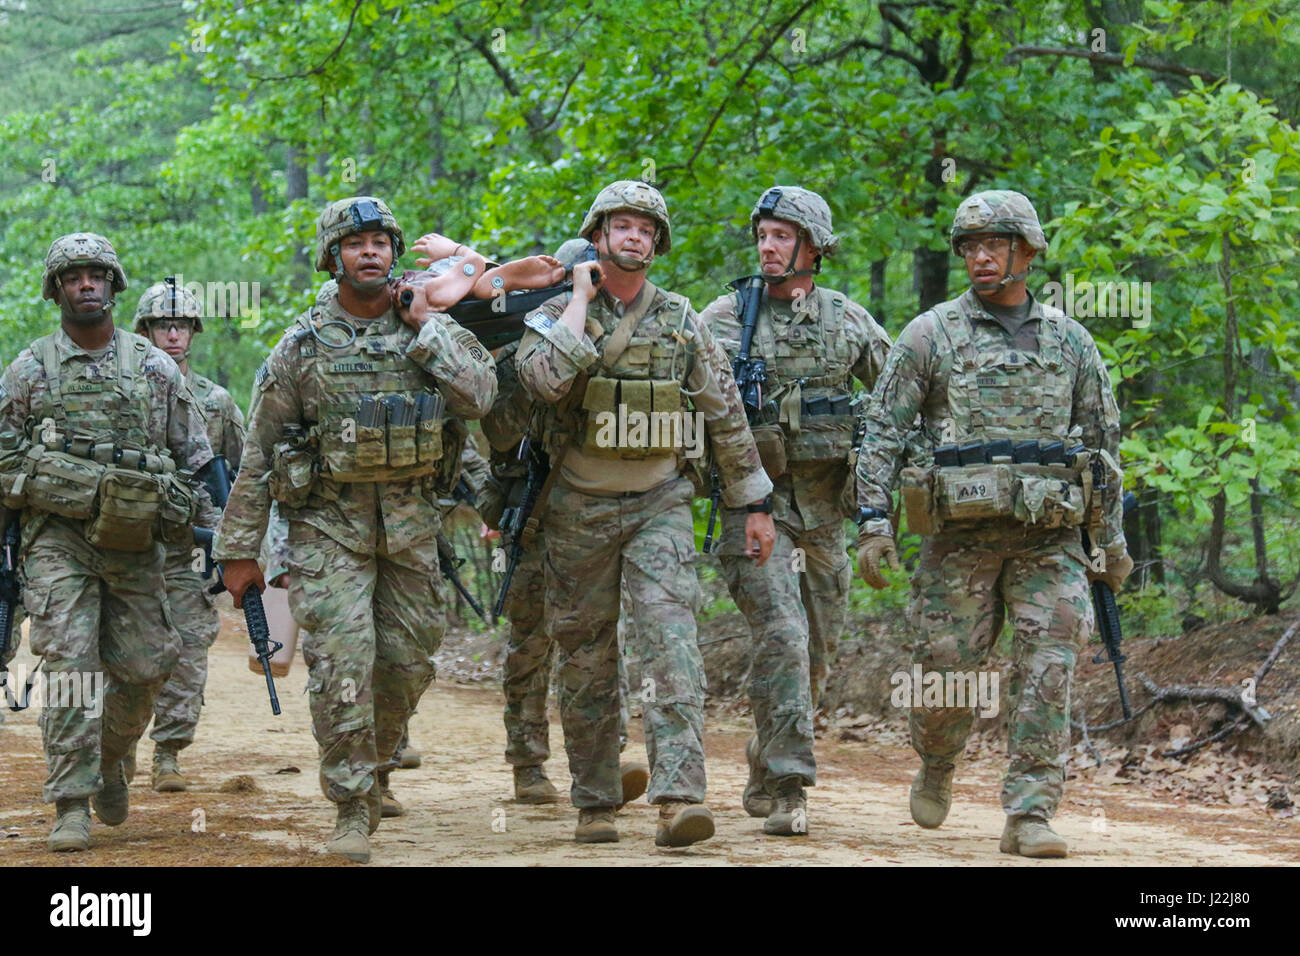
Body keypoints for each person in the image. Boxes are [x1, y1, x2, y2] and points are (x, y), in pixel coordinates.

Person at [213, 197, 497, 863]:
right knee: (343, 664)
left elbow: (480, 398)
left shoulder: (428, 327)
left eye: (380, 241)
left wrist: (429, 326)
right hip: (326, 529)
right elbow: (258, 452)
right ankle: (349, 803)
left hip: (412, 528)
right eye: (355, 242)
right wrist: (238, 551)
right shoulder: (302, 346)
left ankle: (374, 766)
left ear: (394, 253)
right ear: (332, 255)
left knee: (404, 665)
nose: (369, 251)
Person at [854, 190, 1132, 858]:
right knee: (947, 669)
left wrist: (1111, 540)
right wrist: (872, 521)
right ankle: (939, 757)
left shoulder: (1072, 341)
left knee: (1049, 665)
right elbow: (883, 431)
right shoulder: (931, 334)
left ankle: (1029, 813)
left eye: (993, 245)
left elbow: (1103, 444)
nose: (979, 258)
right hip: (957, 542)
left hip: (1051, 539)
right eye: (970, 247)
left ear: (1027, 252)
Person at [516, 180, 775, 847]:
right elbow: (542, 381)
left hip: (660, 501)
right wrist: (578, 296)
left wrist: (753, 503)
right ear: (597, 236)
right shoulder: (554, 311)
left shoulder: (682, 318)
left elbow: (724, 413)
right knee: (585, 656)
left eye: (645, 229)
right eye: (621, 226)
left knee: (671, 643)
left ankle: (678, 798)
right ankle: (596, 799)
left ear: (657, 244)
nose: (634, 237)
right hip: (577, 506)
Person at [0, 233, 218, 852]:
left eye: (97, 275)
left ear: (113, 284)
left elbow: (195, 460)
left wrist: (219, 545)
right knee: (71, 665)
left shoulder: (152, 367)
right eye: (74, 277)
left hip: (136, 543)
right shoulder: (29, 369)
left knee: (148, 665)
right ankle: (70, 801)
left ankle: (114, 757)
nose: (87, 285)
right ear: (57, 289)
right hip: (56, 541)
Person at [699, 186, 891, 834]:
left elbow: (898, 403)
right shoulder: (723, 320)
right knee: (782, 631)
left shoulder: (847, 321)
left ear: (813, 246)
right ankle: (789, 787)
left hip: (825, 514)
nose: (768, 246)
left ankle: (765, 752)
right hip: (753, 509)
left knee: (815, 651)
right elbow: (681, 406)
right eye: (763, 235)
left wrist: (881, 508)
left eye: (782, 236)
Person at [126, 281, 246, 792]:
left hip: (193, 547)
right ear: (146, 330)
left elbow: (240, 476)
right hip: (132, 541)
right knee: (131, 649)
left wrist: (237, 544)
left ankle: (169, 750)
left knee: (190, 645)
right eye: (161, 325)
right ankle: (122, 739)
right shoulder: (125, 388)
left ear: (193, 332)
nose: (172, 334)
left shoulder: (216, 402)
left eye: (180, 325)